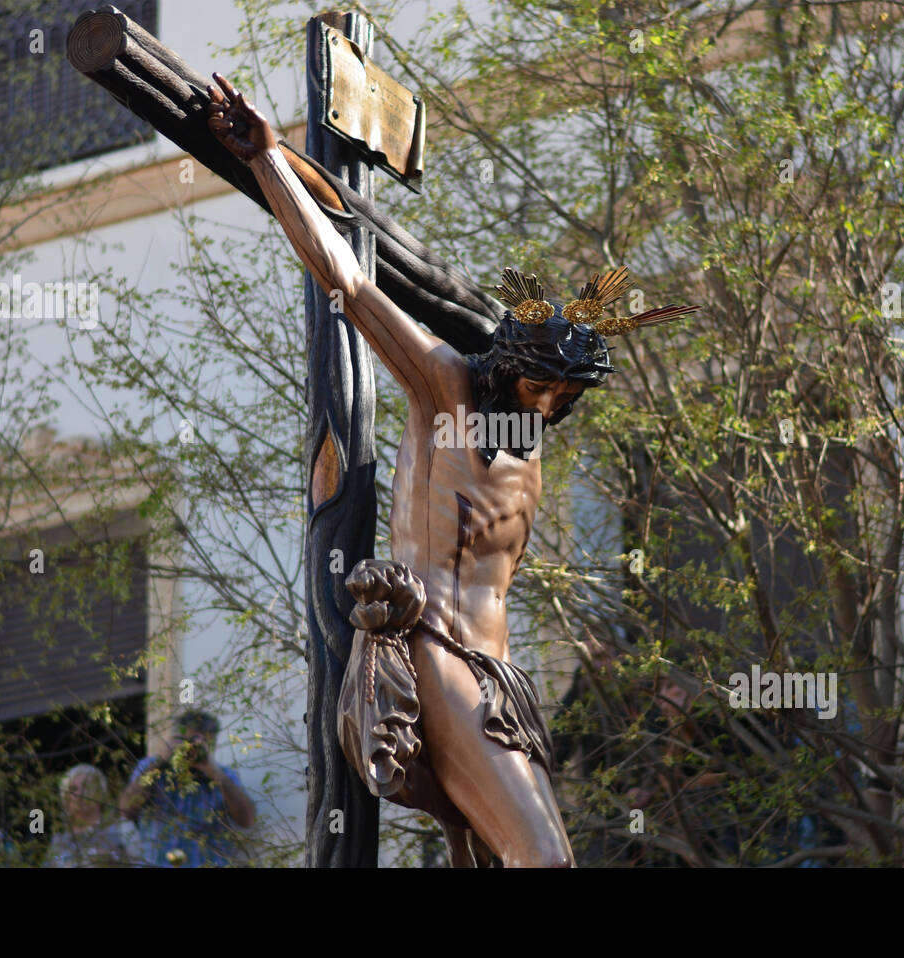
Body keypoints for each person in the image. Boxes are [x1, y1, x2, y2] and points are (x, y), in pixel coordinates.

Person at [206, 73, 697, 867]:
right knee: (545, 862)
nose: (549, 405)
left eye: (567, 395)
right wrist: (266, 159)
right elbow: (348, 281)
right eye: (539, 386)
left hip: (501, 676)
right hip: (434, 652)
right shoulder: (445, 389)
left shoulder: (527, 442)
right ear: (508, 367)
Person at [119, 710, 256, 867]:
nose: (190, 748)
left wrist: (214, 773)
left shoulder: (223, 776)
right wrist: (161, 762)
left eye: (198, 743)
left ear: (211, 746)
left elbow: (247, 821)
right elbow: (126, 810)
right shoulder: (150, 768)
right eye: (185, 741)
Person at [46, 764, 143, 867]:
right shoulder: (59, 839)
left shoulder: (123, 829)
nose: (80, 793)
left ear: (100, 792)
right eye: (73, 789)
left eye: (87, 787)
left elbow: (142, 863)